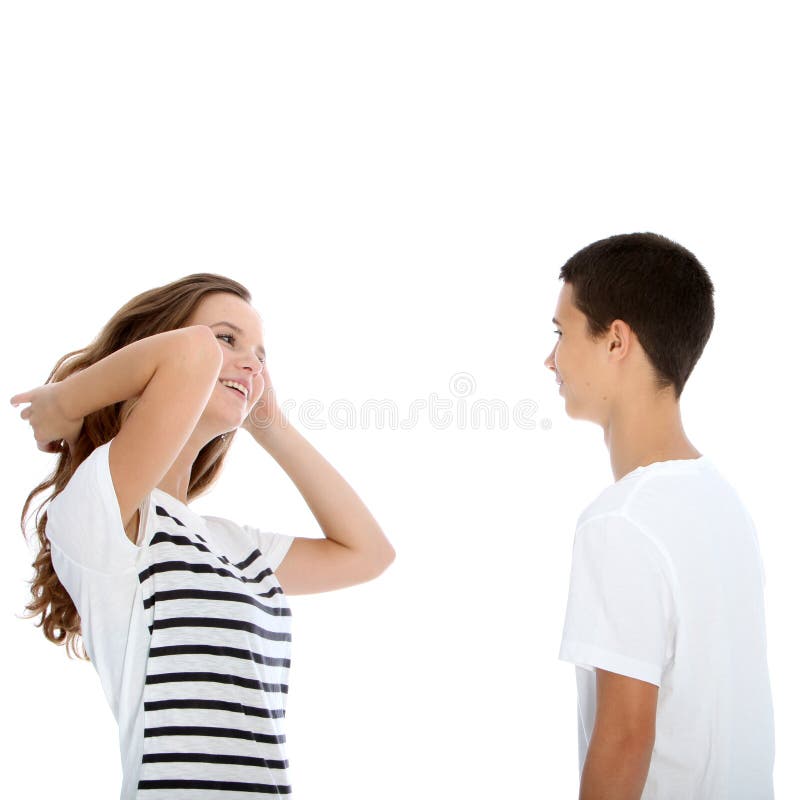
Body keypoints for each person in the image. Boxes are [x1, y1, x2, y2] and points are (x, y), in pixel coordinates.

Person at [11, 273, 395, 799]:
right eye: (227, 338)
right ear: (149, 352)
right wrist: (65, 401)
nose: (253, 364)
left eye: (261, 355)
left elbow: (369, 553)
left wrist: (270, 423)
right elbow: (190, 353)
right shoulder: (101, 512)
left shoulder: (232, 546)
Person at [543, 233, 774, 799]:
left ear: (616, 340)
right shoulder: (722, 503)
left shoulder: (619, 523)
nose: (550, 359)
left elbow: (624, 740)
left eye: (561, 333)